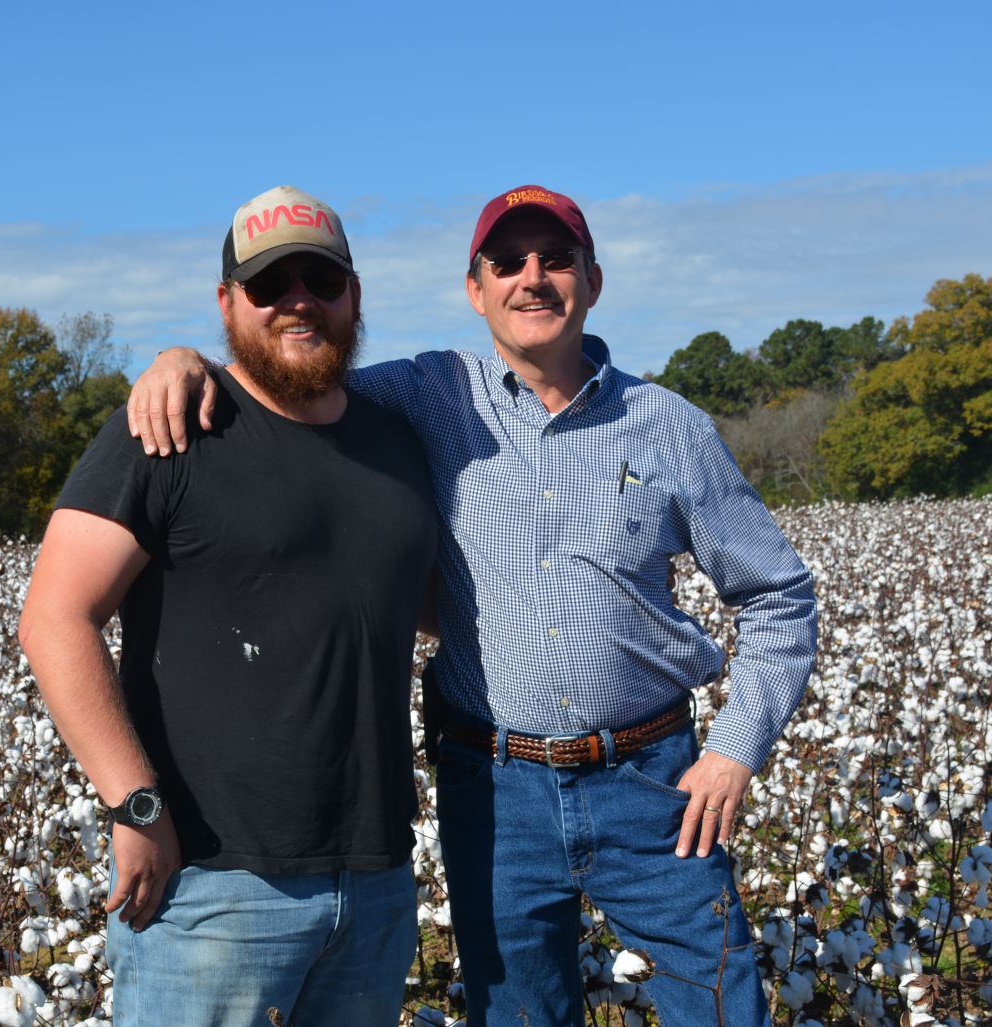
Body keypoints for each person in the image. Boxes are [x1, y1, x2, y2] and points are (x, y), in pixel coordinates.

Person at [127, 184, 818, 1026]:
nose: (533, 279)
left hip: (656, 784)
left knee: (721, 1005)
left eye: (556, 260)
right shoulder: (425, 394)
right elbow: (287, 372)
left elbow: (779, 595)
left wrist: (736, 751)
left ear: (593, 281)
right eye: (508, 262)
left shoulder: (668, 425)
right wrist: (183, 359)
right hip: (494, 793)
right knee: (518, 1013)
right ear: (474, 287)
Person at [19, 184, 438, 1026]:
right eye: (268, 284)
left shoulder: (399, 440)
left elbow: (431, 605)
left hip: (378, 881)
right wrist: (134, 803)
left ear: (354, 294)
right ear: (226, 302)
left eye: (321, 280)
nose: (299, 301)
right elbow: (53, 616)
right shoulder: (170, 429)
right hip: (210, 887)